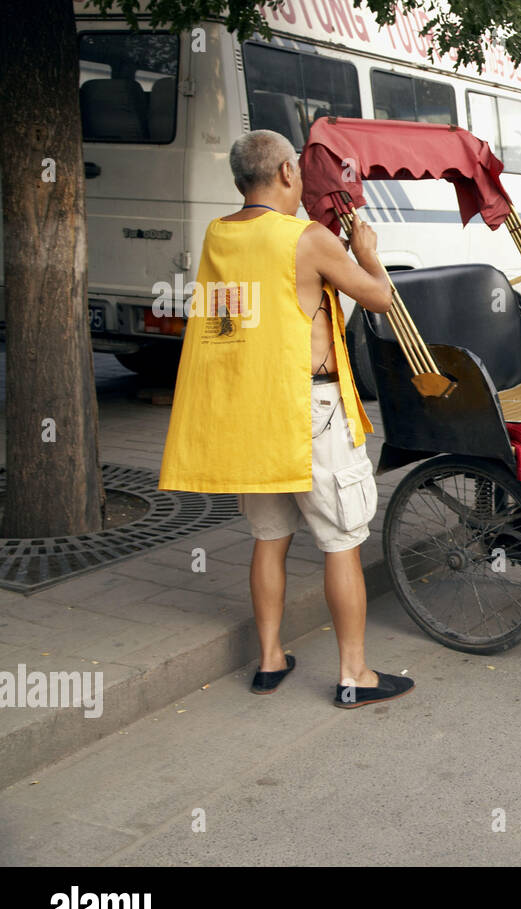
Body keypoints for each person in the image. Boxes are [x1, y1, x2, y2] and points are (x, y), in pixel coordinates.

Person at [158, 129, 414, 709]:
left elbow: (226, 328)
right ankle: (355, 675)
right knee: (342, 540)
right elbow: (378, 299)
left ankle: (271, 660)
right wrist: (368, 253)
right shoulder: (308, 238)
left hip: (254, 412)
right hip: (310, 410)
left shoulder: (218, 235)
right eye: (296, 171)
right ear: (283, 174)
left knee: (269, 538)